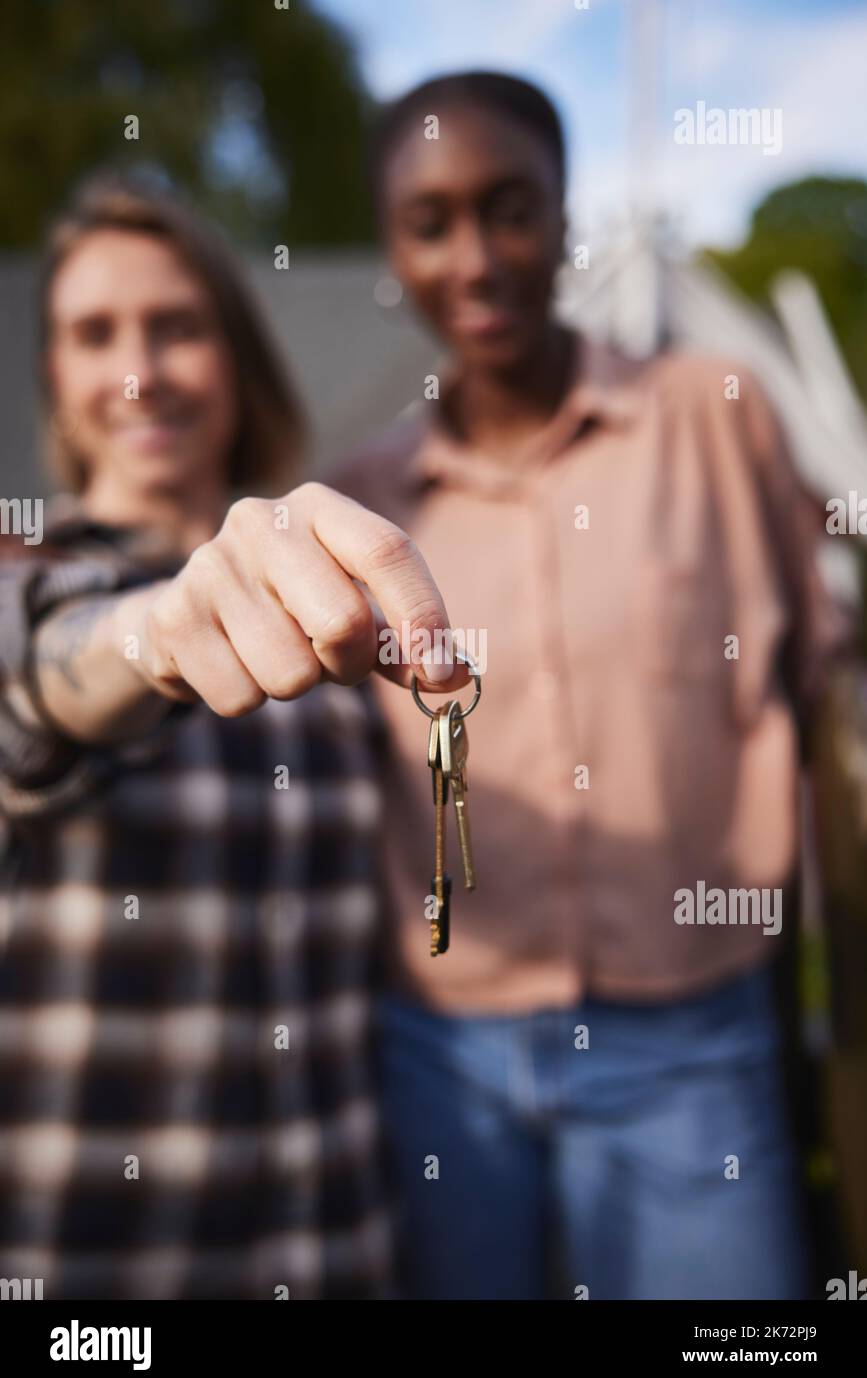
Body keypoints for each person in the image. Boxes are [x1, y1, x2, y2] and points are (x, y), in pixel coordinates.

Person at [334, 71, 843, 1300]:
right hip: (443, 1051)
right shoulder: (363, 502)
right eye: (431, 221)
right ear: (393, 247)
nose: (475, 256)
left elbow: (819, 688)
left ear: (566, 215)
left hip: (694, 1042)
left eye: (510, 207)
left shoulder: (710, 421)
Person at [0, 174, 459, 1299]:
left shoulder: (338, 616)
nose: (139, 369)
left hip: (342, 1244)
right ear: (55, 376)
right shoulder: (26, 583)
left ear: (237, 356)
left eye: (177, 325)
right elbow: (43, 681)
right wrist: (158, 632)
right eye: (93, 332)